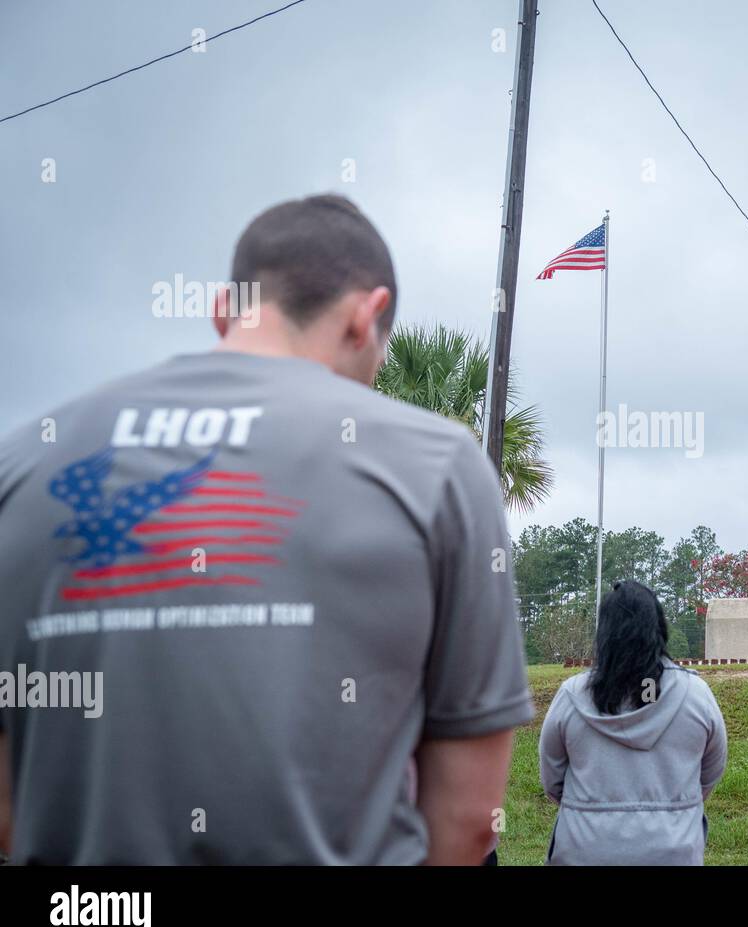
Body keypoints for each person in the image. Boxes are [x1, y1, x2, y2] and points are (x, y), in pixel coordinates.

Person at [0, 194, 533, 864]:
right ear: (366, 318)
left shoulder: (22, 463)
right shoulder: (438, 468)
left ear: (224, 310)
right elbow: (468, 820)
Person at [539, 581, 727, 865]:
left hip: (584, 850)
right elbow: (710, 774)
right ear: (659, 629)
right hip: (674, 851)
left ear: (604, 633)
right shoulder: (696, 695)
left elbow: (552, 780)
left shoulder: (571, 695)